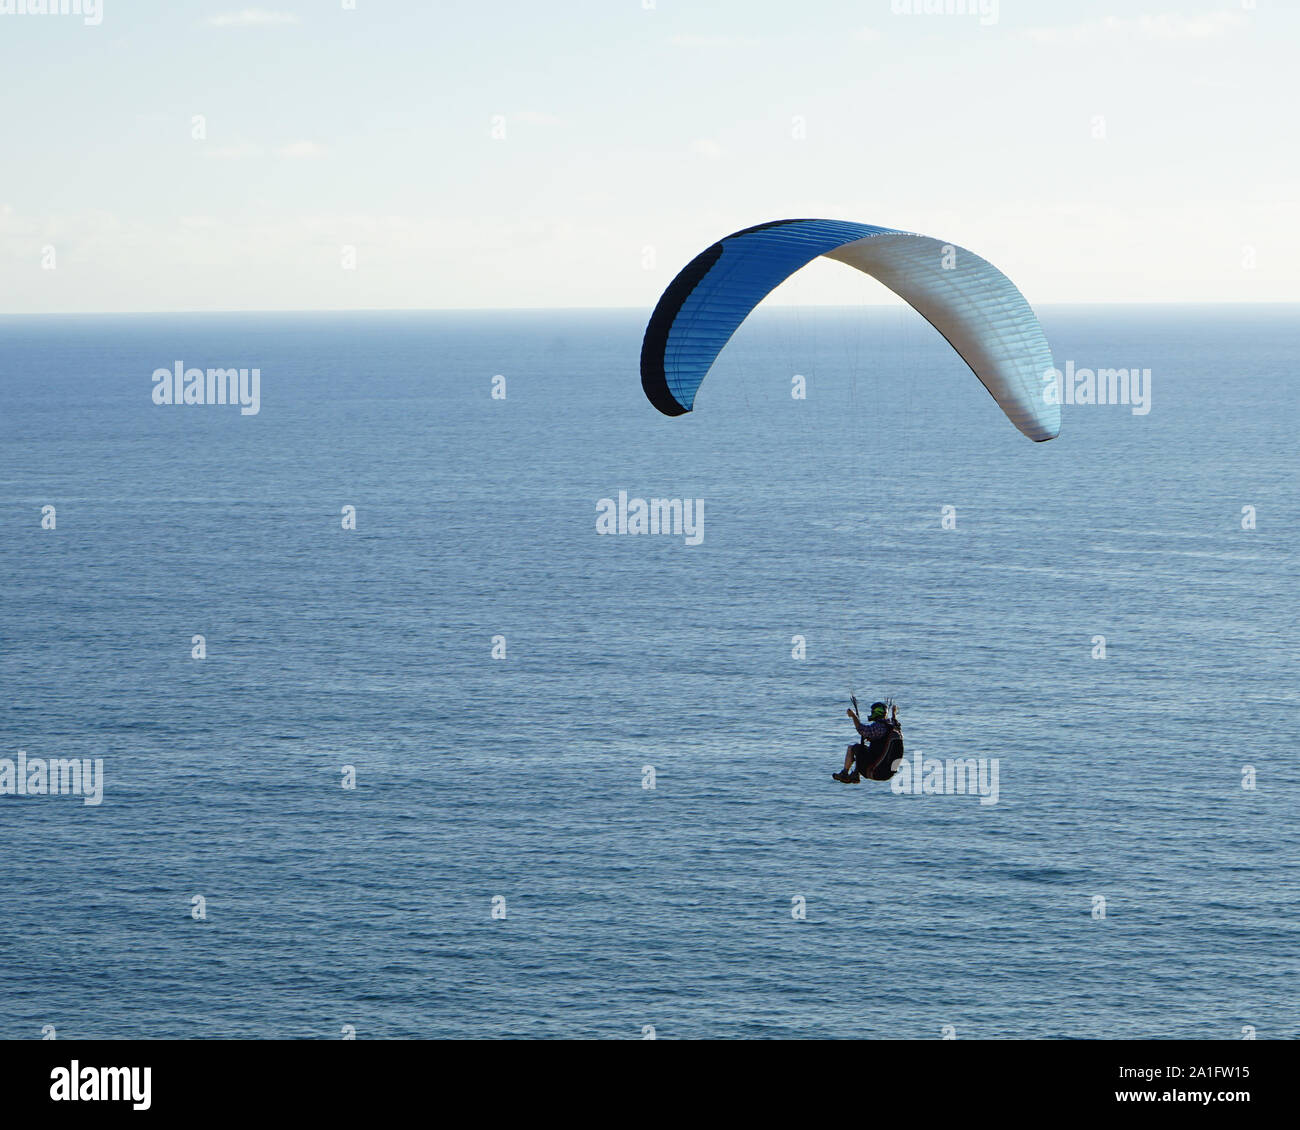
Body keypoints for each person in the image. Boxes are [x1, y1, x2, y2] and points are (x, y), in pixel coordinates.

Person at [833, 700, 901, 783]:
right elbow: (894, 721)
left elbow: (861, 730)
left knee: (853, 748)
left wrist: (853, 716)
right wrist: (894, 713)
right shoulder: (893, 726)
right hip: (887, 772)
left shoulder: (878, 727)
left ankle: (844, 774)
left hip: (875, 771)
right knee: (865, 750)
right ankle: (855, 774)